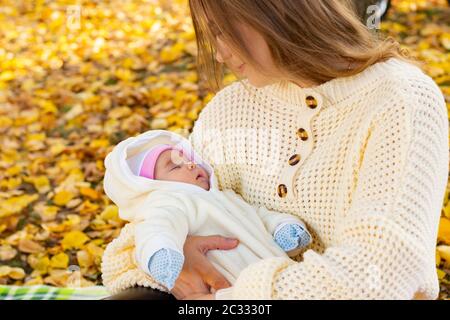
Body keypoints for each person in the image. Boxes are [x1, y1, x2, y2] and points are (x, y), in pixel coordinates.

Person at [107, 0, 448, 300]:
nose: (219, 52)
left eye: (222, 30)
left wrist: (232, 297)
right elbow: (133, 243)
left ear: (275, 7)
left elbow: (376, 279)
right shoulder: (229, 110)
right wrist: (178, 260)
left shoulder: (401, 101)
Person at [101, 130, 312, 297]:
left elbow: (259, 215)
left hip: (282, 275)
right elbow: (157, 227)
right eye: (175, 166)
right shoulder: (169, 202)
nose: (190, 164)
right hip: (231, 285)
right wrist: (160, 253)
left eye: (187, 158)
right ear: (152, 184)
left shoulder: (225, 196)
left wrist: (283, 226)